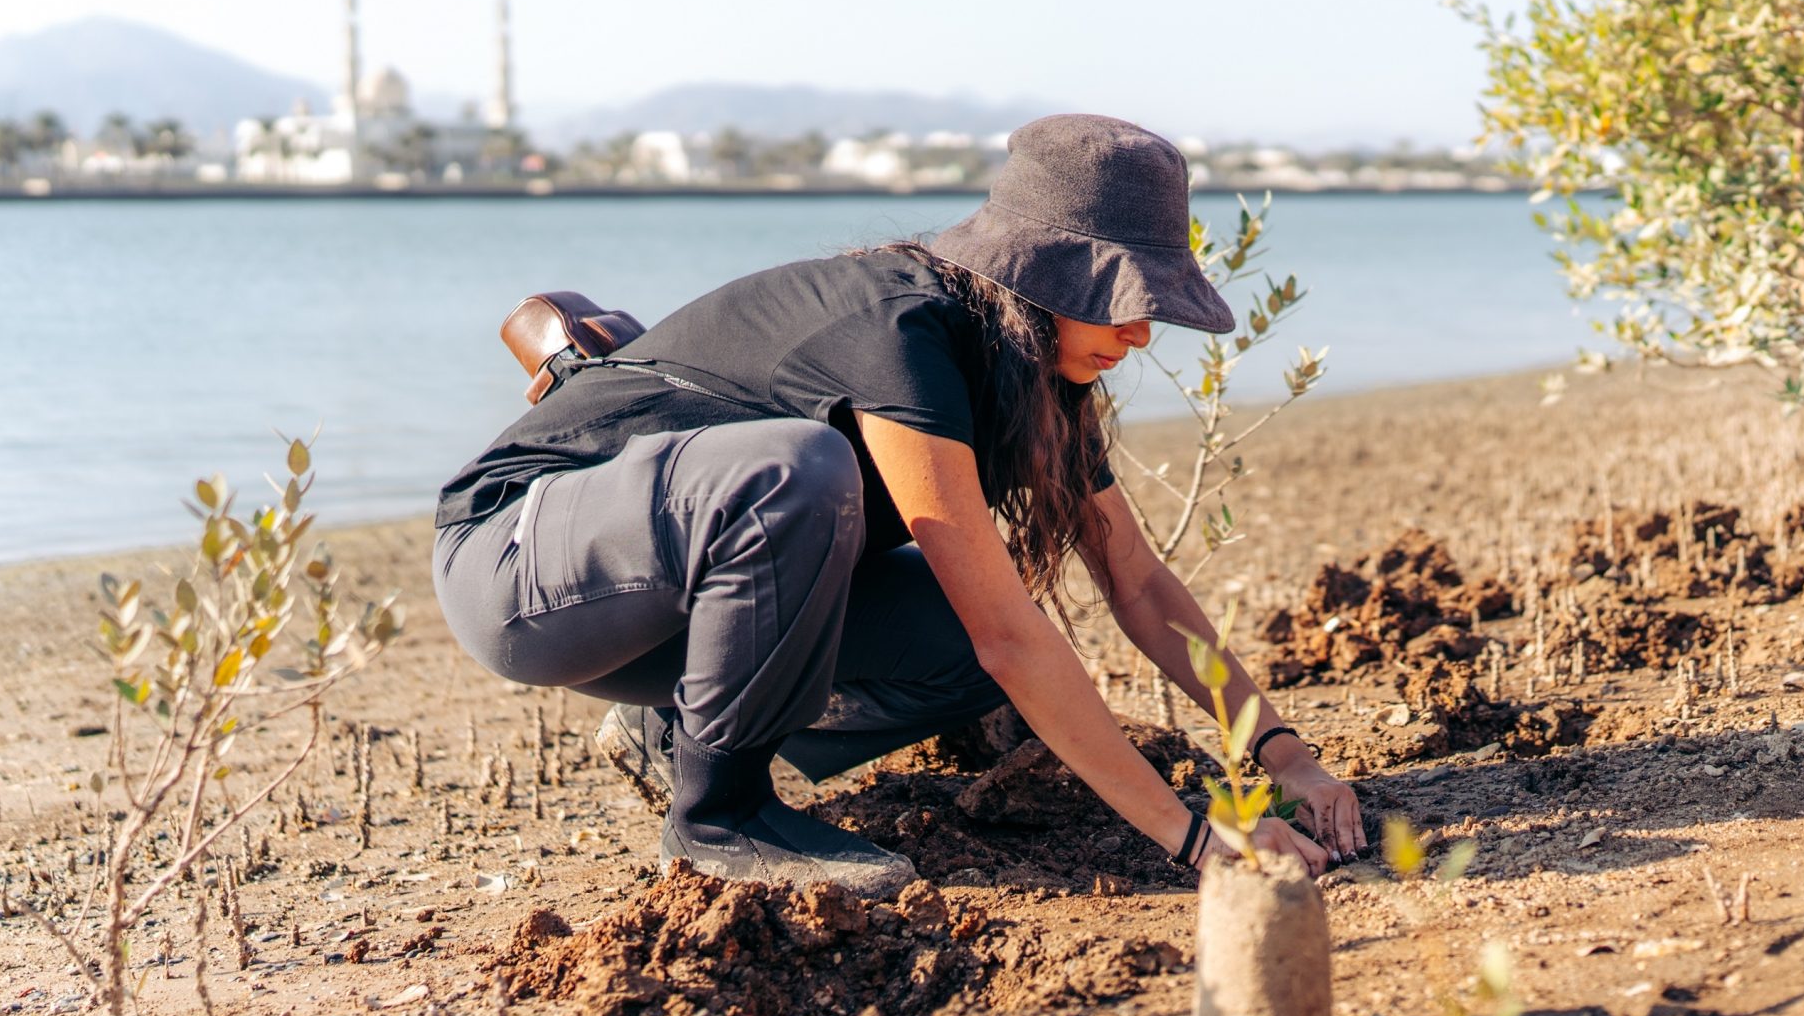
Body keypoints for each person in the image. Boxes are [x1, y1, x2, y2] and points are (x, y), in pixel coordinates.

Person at [431, 113, 1363, 895]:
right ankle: (720, 817)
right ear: (1042, 277)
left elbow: (1139, 583)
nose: (1140, 329)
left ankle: (680, 726)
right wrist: (1195, 841)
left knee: (960, 646)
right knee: (800, 469)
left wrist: (1286, 757)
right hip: (516, 568)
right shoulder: (902, 331)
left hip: (652, 601)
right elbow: (1014, 633)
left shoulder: (1031, 380)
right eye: (1117, 296)